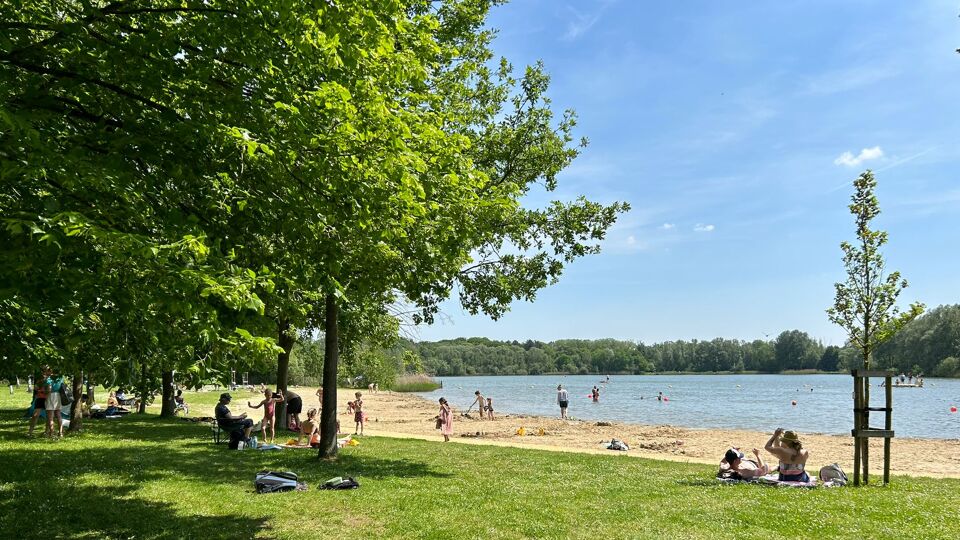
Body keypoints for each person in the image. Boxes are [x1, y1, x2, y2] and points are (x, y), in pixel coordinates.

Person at [28, 366, 52, 436]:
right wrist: (38, 389)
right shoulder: (40, 379)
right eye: (44, 370)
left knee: (48, 416)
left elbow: (50, 390)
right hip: (40, 398)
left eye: (47, 370)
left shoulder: (52, 380)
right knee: (35, 415)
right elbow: (36, 387)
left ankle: (46, 432)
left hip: (48, 399)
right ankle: (30, 432)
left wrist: (45, 390)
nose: (45, 372)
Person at [45, 370, 65, 437]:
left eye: (47, 371)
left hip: (51, 396)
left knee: (50, 417)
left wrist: (45, 397)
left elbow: (49, 389)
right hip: (58, 395)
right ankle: (61, 432)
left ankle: (52, 433)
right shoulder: (60, 378)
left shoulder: (49, 379)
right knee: (59, 415)